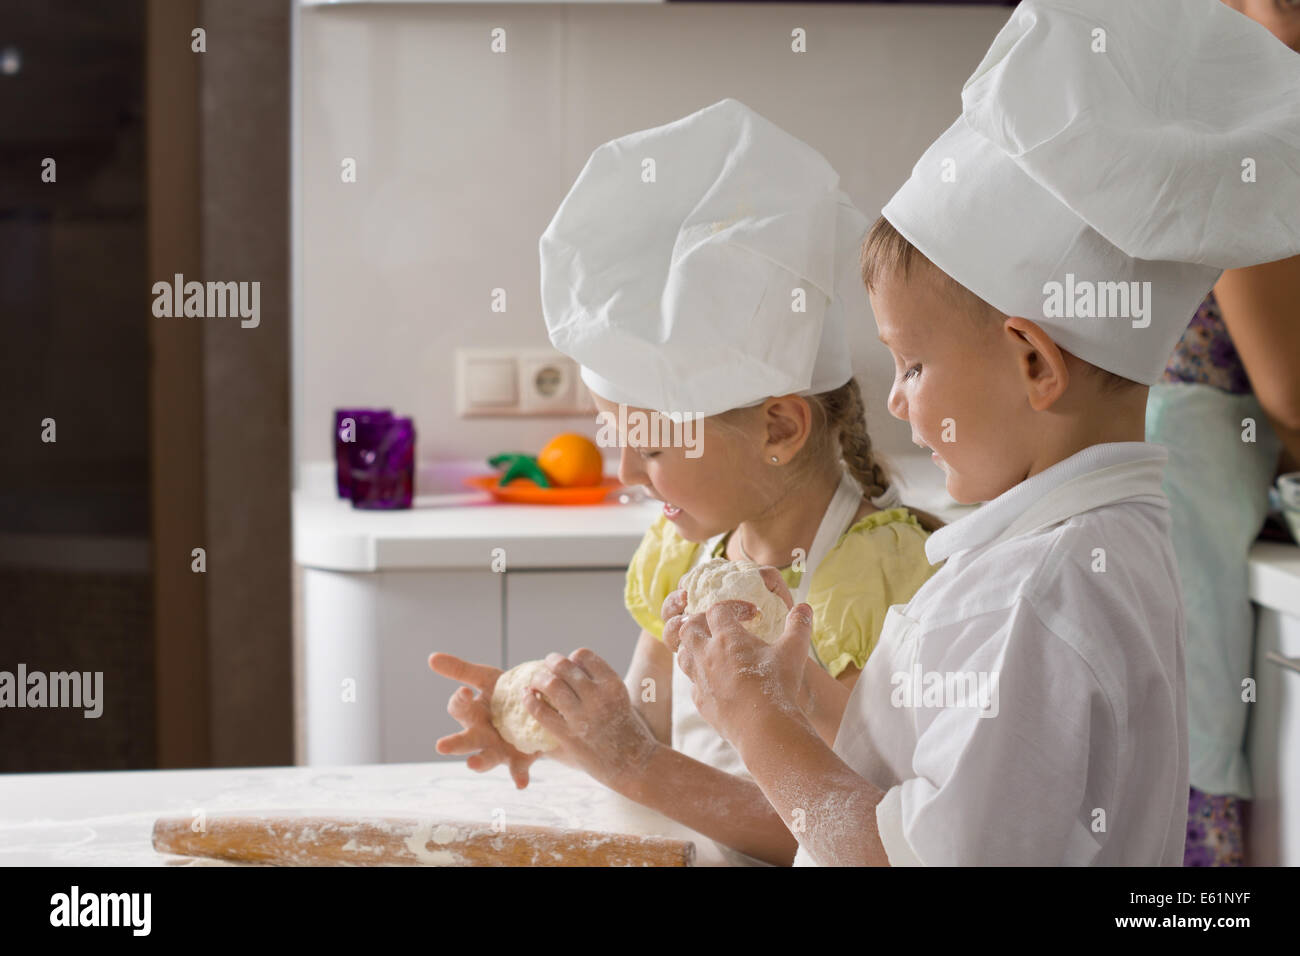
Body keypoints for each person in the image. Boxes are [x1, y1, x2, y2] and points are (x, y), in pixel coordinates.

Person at [662, 0, 1300, 865]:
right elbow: (942, 763)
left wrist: (755, 724)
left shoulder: (1031, 593)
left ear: (1035, 363)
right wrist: (795, 693)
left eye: (913, 367)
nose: (897, 403)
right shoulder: (1100, 546)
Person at [429, 100, 942, 866]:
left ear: (779, 427)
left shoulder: (878, 582)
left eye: (653, 445)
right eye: (617, 439)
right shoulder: (683, 551)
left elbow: (840, 829)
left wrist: (633, 764)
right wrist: (560, 725)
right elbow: (648, 739)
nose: (627, 474)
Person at [1146, 0, 1300, 869]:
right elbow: (1290, 389)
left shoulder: (1212, 105)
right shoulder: (1253, 130)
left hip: (1193, 467)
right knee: (1196, 737)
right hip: (1195, 472)